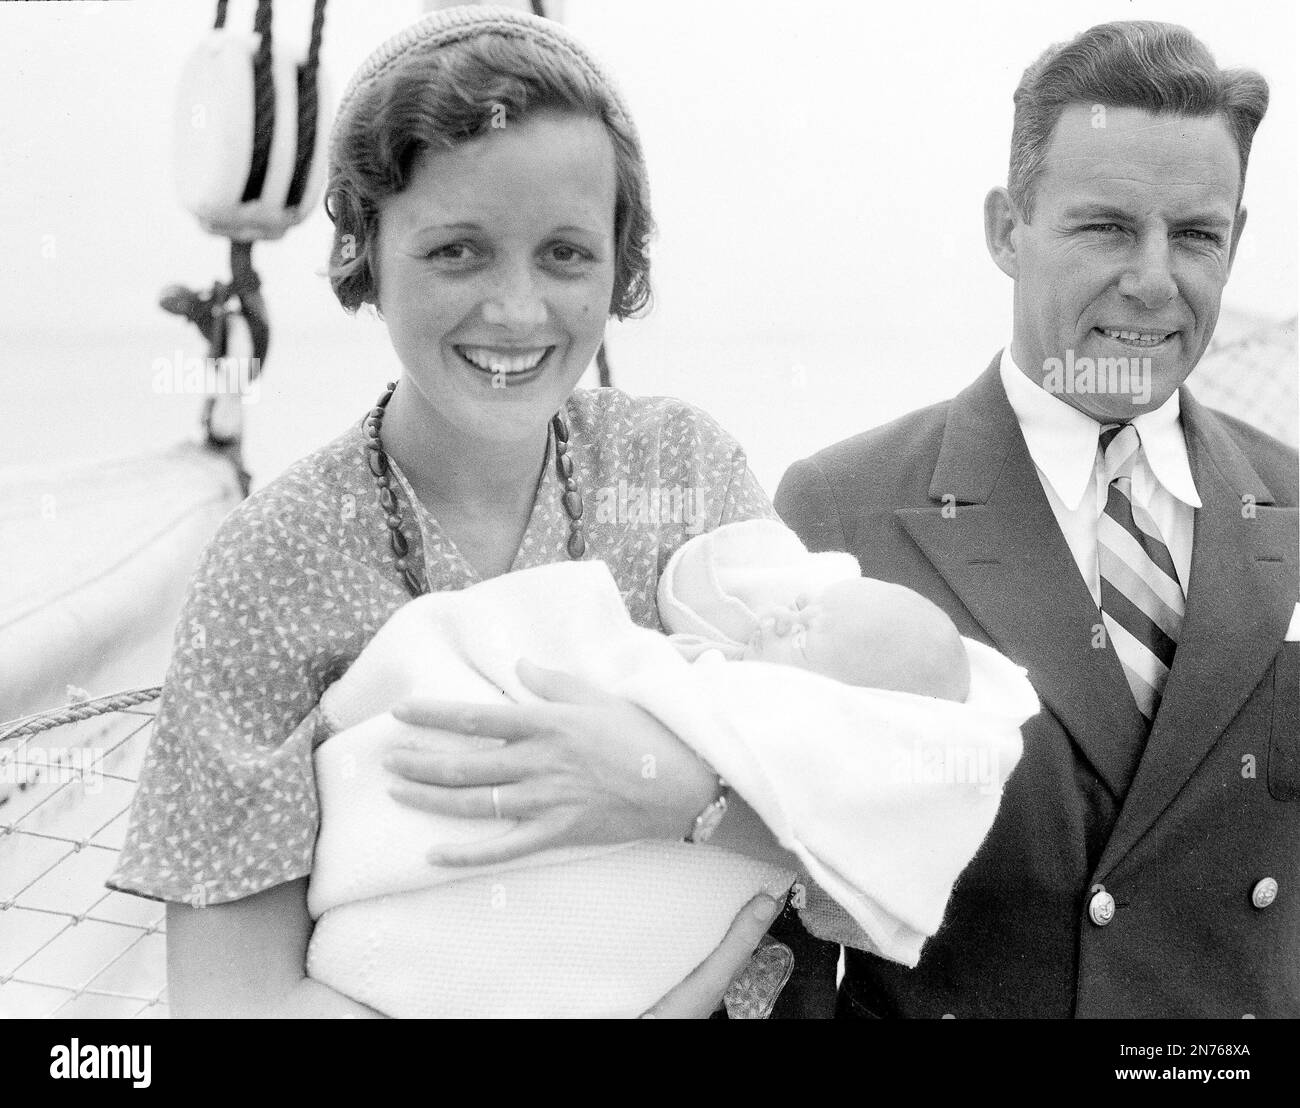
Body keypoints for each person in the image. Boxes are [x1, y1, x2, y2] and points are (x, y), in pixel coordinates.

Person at [775, 20, 1299, 1018]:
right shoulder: (842, 512)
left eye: (1195, 235)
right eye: (1106, 227)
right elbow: (781, 947)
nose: (1153, 279)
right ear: (1005, 230)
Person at [303, 521, 1022, 1017]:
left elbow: (868, 844)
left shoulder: (799, 733)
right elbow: (710, 585)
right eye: (800, 607)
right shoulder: (720, 664)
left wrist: (687, 793)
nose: (779, 619)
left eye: (805, 635)